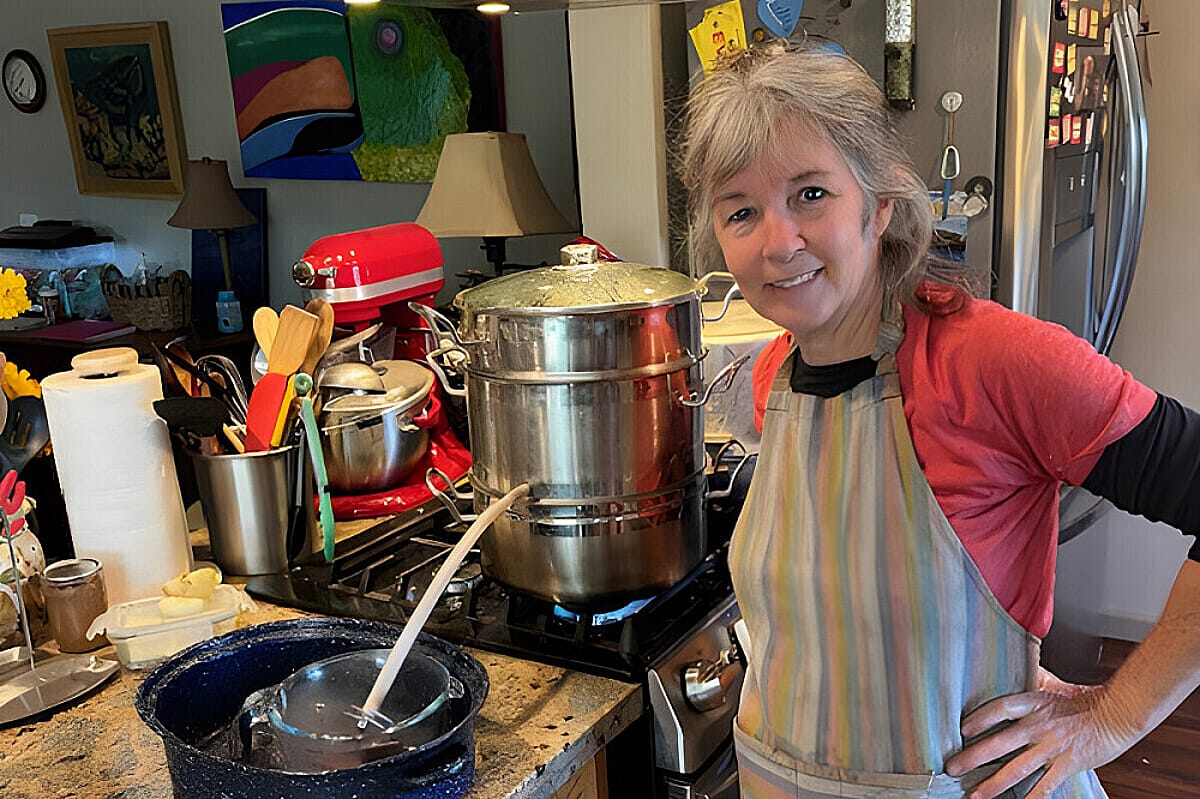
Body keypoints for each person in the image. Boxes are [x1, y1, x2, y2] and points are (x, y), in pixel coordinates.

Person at [680, 44, 1200, 799]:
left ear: (880, 205)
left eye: (811, 194)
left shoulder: (994, 362)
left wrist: (1112, 717)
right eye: (742, 211)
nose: (778, 242)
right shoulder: (774, 381)